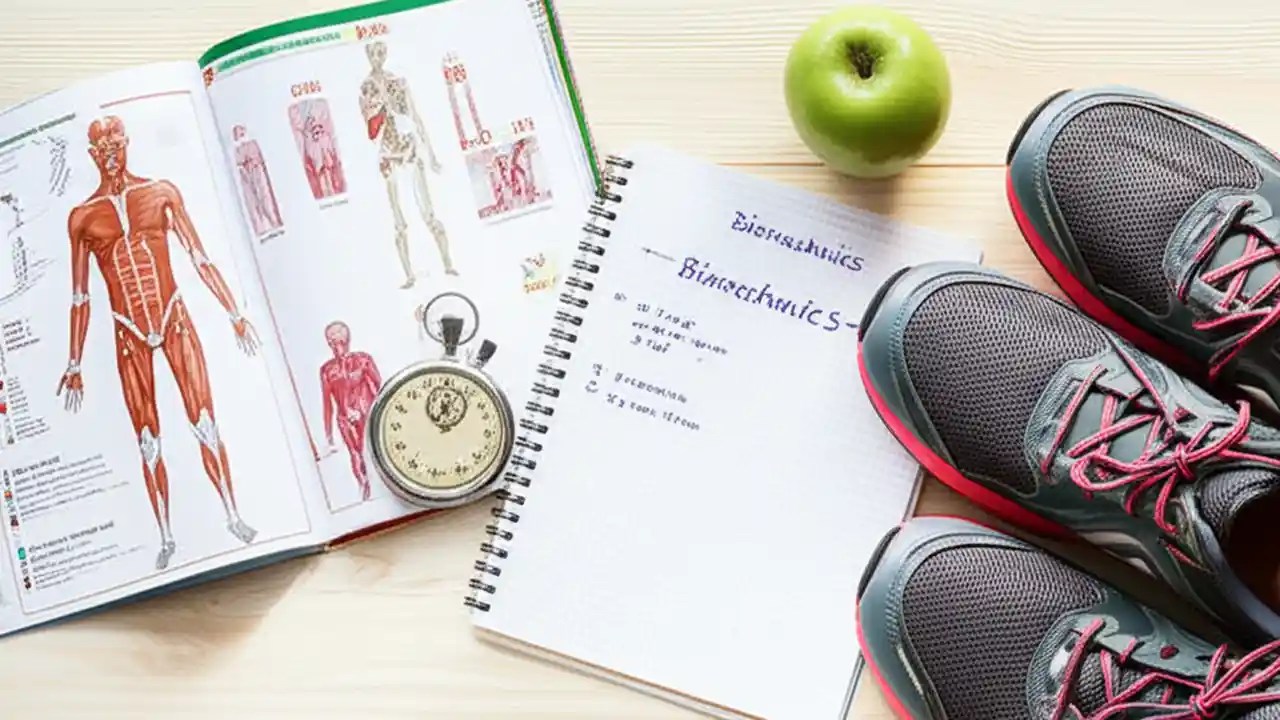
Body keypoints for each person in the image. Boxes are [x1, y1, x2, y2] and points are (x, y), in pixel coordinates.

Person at [60, 115, 259, 571]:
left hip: (174, 316)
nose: (111, 151)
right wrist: (74, 362)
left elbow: (198, 256)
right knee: (148, 438)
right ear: (92, 154)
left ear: (127, 142)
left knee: (204, 420)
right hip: (127, 329)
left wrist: (233, 313)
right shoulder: (83, 218)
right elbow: (80, 295)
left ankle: (232, 516)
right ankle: (168, 537)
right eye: (102, 145)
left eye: (116, 141)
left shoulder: (161, 192)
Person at [319, 321, 381, 501]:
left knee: (367, 450)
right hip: (347, 418)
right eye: (332, 340)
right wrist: (328, 435)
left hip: (366, 412)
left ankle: (369, 487)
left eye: (338, 339)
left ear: (347, 339)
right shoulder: (327, 369)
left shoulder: (363, 359)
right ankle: (364, 488)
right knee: (356, 453)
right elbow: (327, 404)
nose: (336, 344)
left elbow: (378, 387)